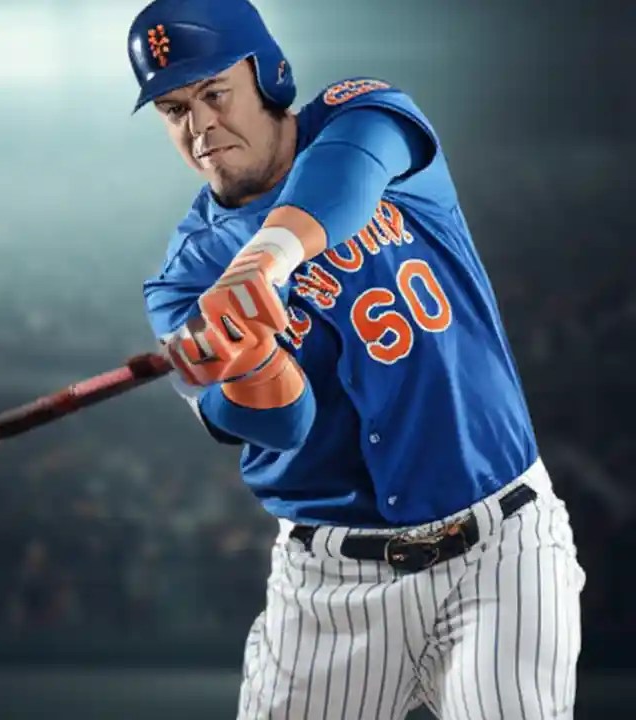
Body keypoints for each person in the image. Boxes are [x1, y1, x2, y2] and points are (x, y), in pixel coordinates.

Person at [131, 0, 585, 717]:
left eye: (215, 93)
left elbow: (346, 175)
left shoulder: (362, 114)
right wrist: (253, 363)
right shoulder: (183, 281)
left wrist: (264, 261)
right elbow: (281, 426)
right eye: (174, 109)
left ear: (270, 76)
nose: (199, 126)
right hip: (329, 587)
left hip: (502, 551)